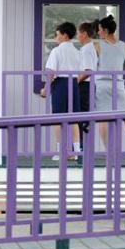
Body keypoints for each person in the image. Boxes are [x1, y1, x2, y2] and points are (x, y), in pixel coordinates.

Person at [40, 21, 81, 160]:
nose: (56, 37)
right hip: (74, 84)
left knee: (58, 119)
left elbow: (51, 72)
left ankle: (60, 152)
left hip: (61, 84)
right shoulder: (77, 51)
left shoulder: (57, 51)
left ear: (64, 35)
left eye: (57, 34)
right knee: (74, 118)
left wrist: (46, 89)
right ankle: (75, 152)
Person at [93, 15, 125, 146]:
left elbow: (91, 66)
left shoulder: (97, 45)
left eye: (99, 30)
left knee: (103, 117)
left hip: (102, 84)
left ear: (105, 30)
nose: (98, 32)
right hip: (119, 84)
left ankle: (108, 150)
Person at [76, 21, 98, 135]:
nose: (77, 36)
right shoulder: (89, 48)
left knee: (80, 117)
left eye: (78, 33)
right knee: (82, 117)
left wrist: (77, 80)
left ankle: (79, 149)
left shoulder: (86, 50)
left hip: (85, 86)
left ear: (84, 34)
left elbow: (88, 71)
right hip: (88, 86)